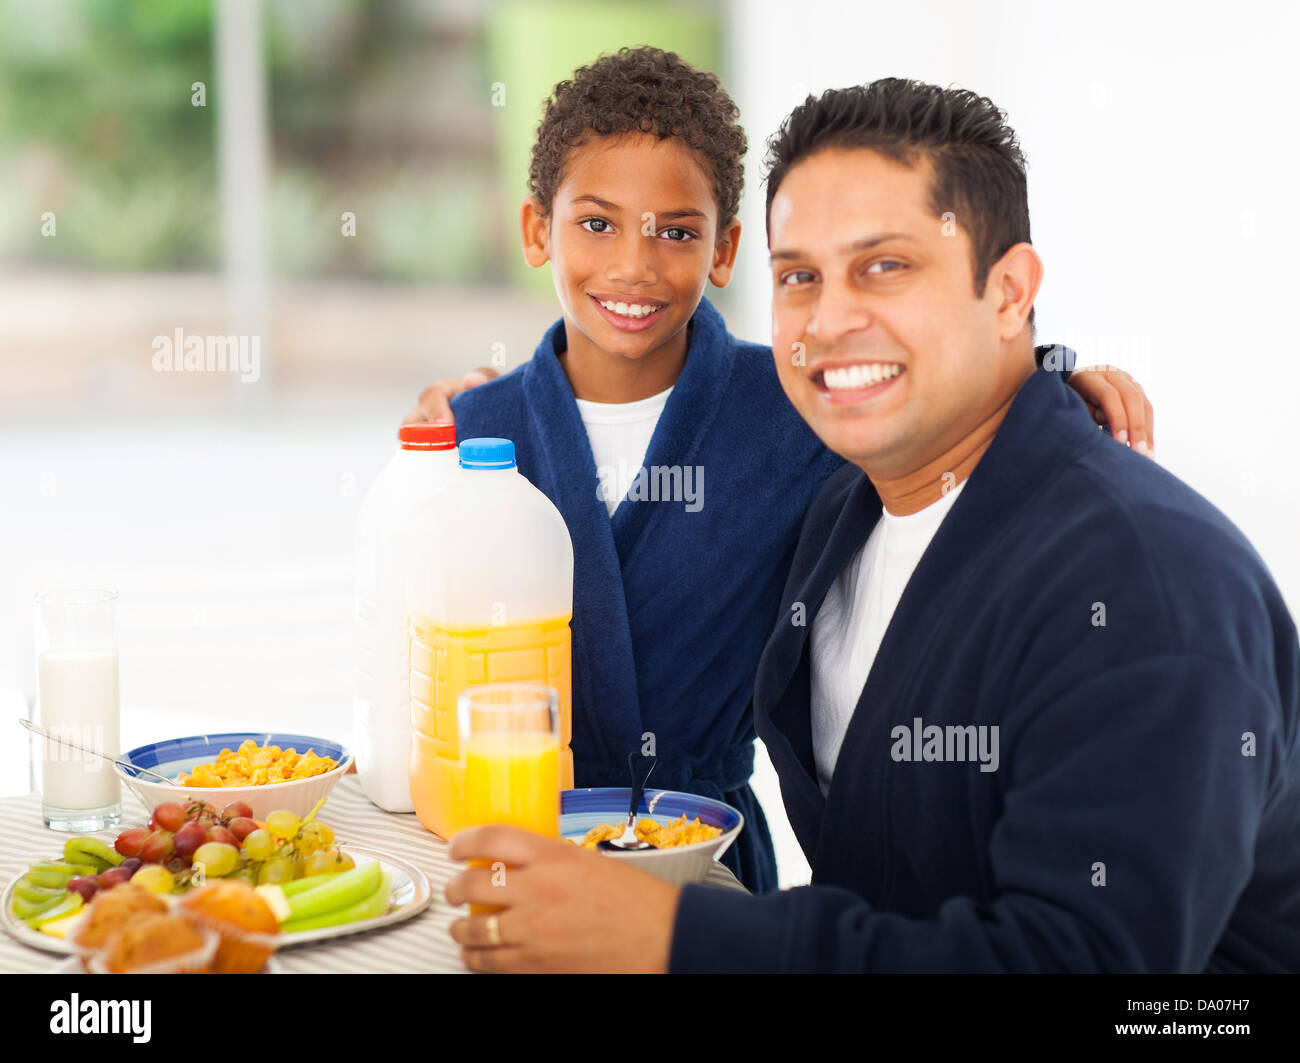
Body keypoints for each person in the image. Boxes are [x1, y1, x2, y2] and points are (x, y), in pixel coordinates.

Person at [443, 78, 1300, 973]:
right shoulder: (843, 521)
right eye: (801, 276)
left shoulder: (1147, 586)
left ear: (1010, 292)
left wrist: (672, 938)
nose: (831, 319)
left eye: (885, 266)